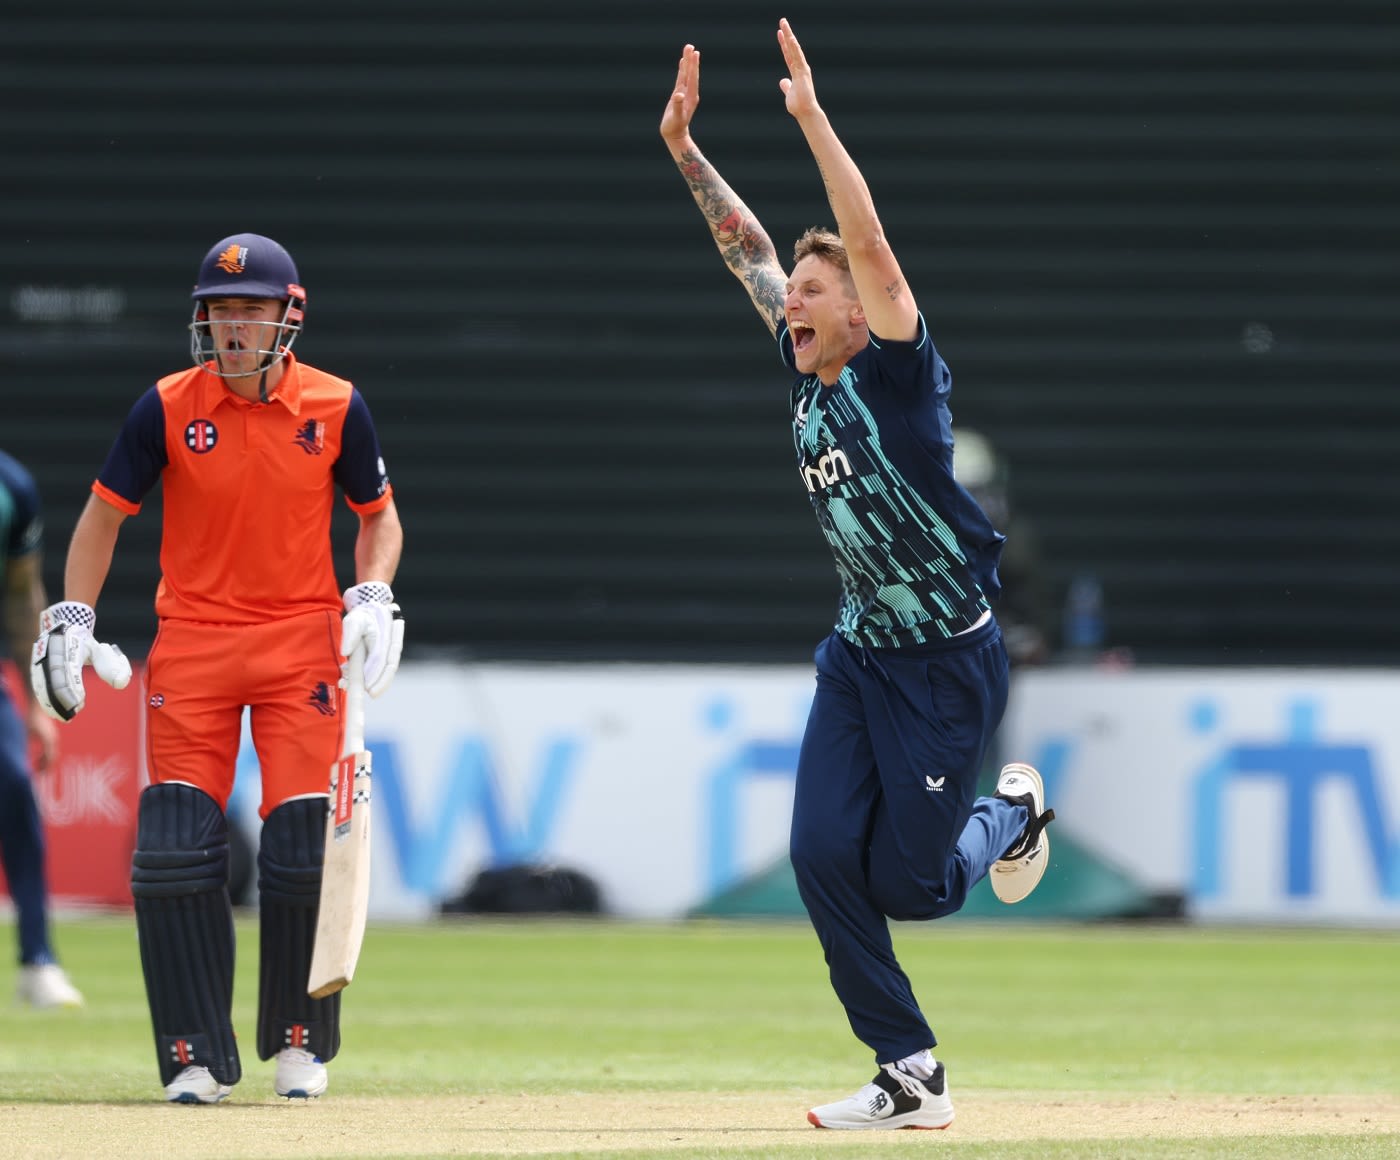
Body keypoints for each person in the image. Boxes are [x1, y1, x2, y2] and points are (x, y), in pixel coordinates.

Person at [660, 22, 1055, 1130]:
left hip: (945, 665)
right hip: (858, 656)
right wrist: (683, 148)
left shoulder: (893, 377)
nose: (789, 298)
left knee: (913, 887)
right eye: (792, 289)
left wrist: (808, 118)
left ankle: (1010, 811)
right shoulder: (804, 378)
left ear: (856, 311)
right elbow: (742, 248)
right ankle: (908, 1069)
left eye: (810, 289)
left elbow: (871, 243)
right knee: (818, 853)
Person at [30, 233, 404, 1105]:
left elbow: (378, 519)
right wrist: (76, 615)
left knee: (304, 851)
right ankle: (192, 1054)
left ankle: (301, 1043)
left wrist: (371, 595)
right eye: (221, 311)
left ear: (289, 316)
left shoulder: (338, 406)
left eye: (251, 310)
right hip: (192, 644)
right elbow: (99, 518)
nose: (233, 328)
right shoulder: (164, 407)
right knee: (171, 852)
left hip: (299, 645)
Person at [0, 450, 85, 1009]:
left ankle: (38, 960)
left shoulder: (13, 487)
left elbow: (20, 593)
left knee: (13, 784)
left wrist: (34, 702)